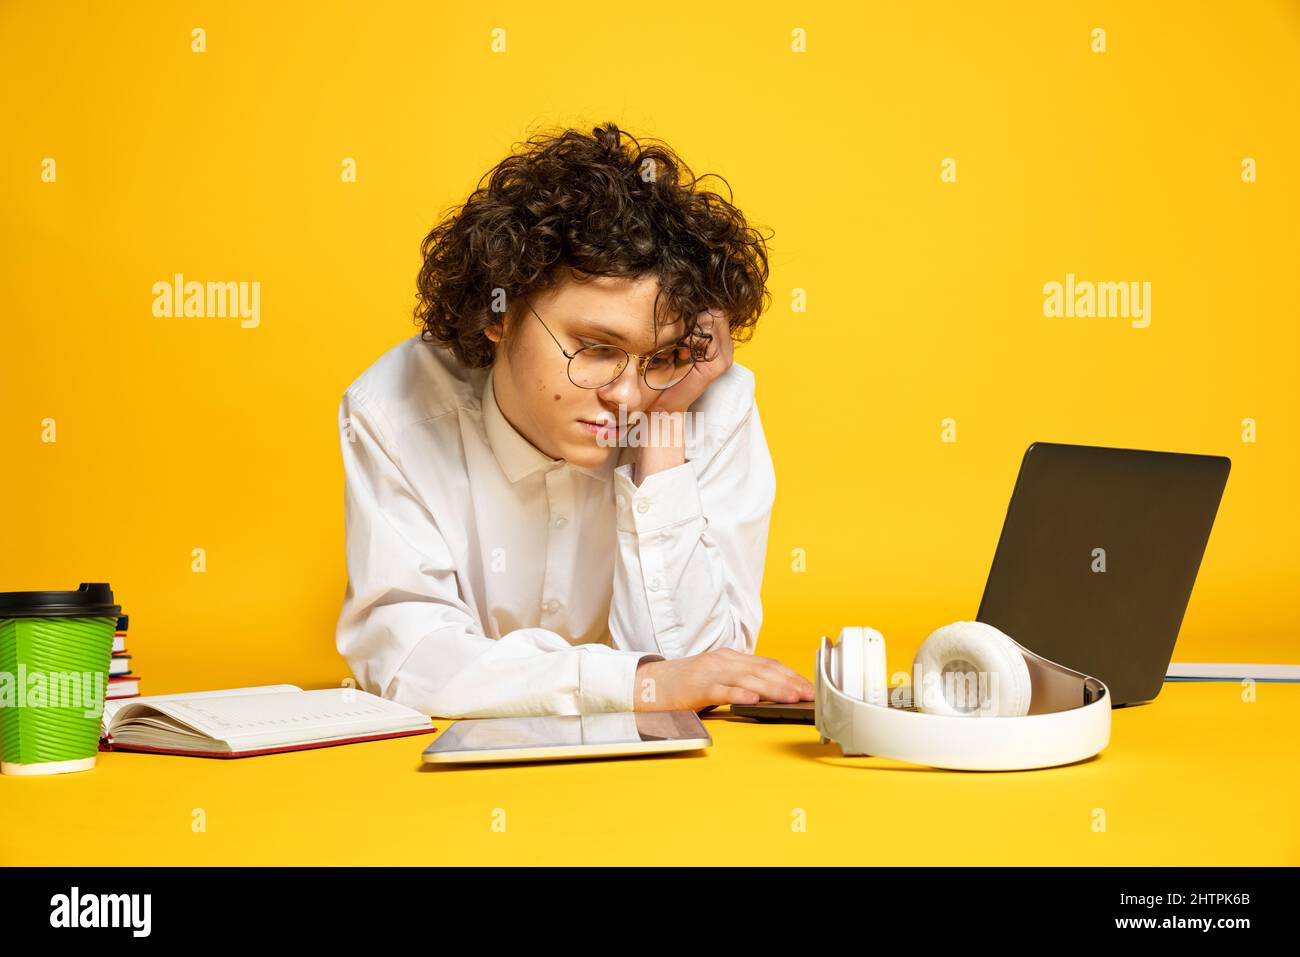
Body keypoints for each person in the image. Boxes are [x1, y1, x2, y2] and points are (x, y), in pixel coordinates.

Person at [334, 122, 814, 718]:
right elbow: (407, 658)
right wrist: (632, 682)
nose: (627, 396)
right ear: (498, 312)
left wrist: (665, 432)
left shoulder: (703, 400)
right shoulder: (395, 409)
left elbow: (706, 670)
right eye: (596, 348)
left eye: (659, 355)